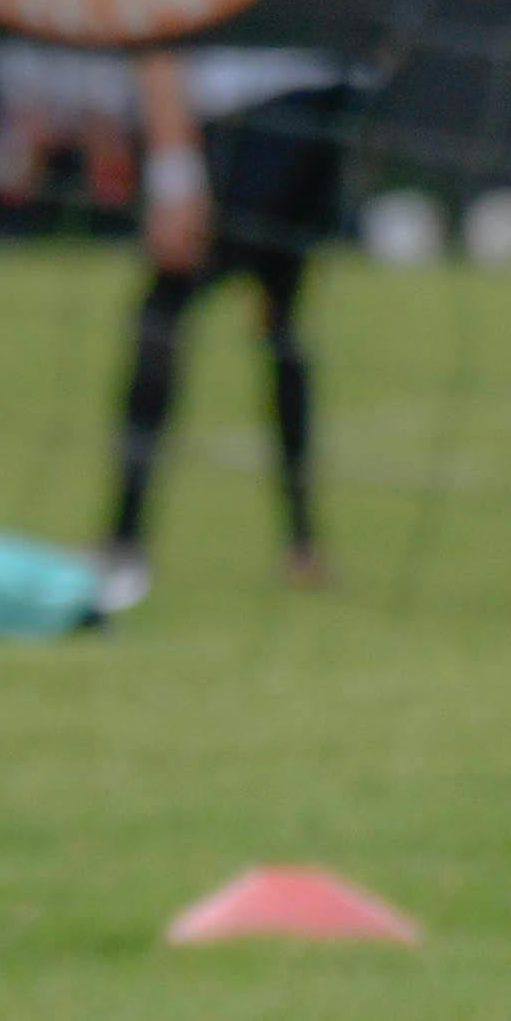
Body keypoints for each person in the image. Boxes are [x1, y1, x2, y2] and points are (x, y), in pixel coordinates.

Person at [96, 42, 368, 610]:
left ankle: (124, 542)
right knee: (277, 325)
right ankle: (301, 543)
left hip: (255, 121)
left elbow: (160, 32)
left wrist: (175, 178)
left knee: (174, 315)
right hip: (309, 113)